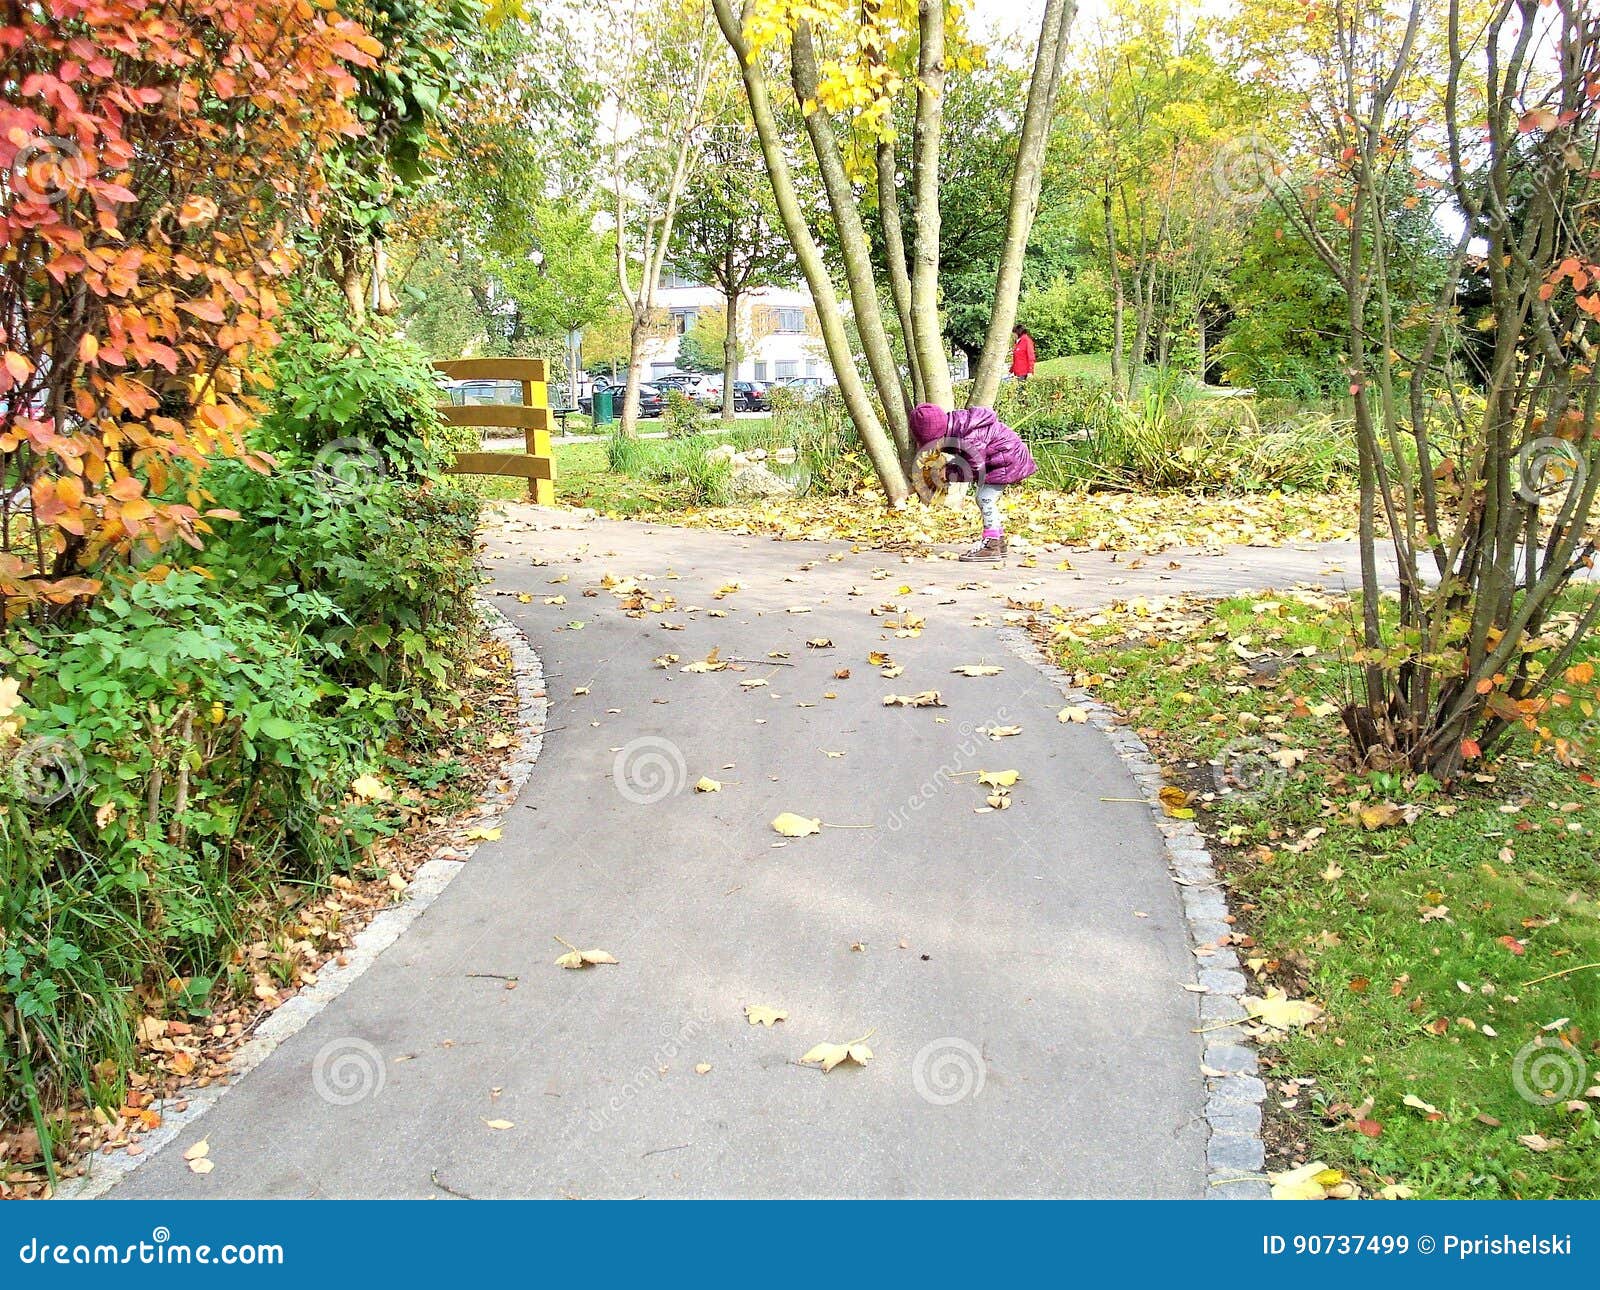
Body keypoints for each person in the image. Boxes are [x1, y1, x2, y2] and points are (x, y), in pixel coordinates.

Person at [910, 402, 1037, 564]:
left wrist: (948, 472)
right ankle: (998, 540)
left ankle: (992, 544)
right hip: (1002, 458)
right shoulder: (957, 427)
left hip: (1007, 460)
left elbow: (974, 466)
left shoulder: (969, 435)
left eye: (934, 441)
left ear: (940, 433)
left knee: (985, 498)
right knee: (984, 497)